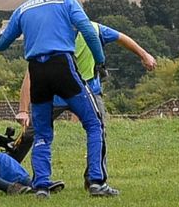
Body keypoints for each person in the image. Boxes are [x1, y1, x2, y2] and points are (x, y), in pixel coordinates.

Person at [0, 0, 116, 197]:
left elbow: (0, 44)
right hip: (63, 65)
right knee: (94, 123)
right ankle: (97, 182)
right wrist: (100, 61)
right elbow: (88, 31)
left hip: (37, 71)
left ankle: (41, 185)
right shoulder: (66, 0)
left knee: (41, 132)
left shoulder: (22, 9)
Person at [12, 24, 157, 168]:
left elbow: (120, 37)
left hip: (89, 91)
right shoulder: (51, 37)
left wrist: (144, 55)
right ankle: (7, 167)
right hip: (57, 93)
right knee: (30, 133)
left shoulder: (93, 29)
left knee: (98, 131)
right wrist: (23, 110)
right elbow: (31, 75)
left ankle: (95, 177)